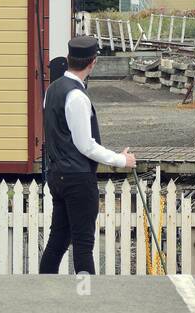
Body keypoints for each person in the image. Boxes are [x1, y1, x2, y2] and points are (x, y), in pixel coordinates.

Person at [39, 35, 136, 275]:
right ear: (92, 63)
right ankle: (86, 298)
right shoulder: (77, 97)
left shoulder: (52, 90)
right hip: (78, 179)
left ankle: (40, 291)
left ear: (70, 59)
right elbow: (86, 146)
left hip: (58, 174)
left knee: (58, 240)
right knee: (83, 244)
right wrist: (121, 160)